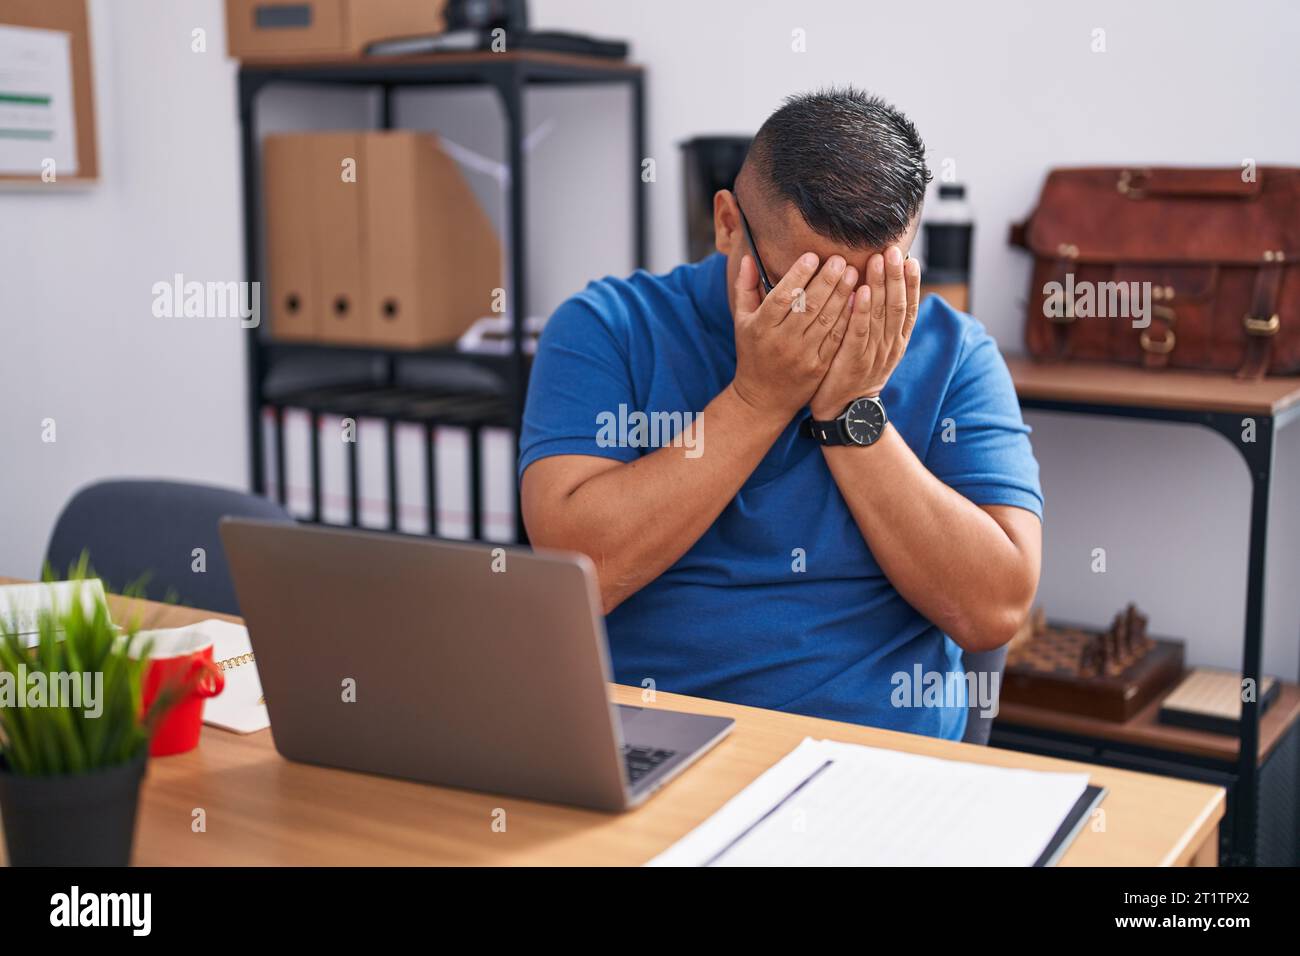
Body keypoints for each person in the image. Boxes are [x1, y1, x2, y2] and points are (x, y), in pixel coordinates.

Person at [518, 87, 1042, 740]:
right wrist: (756, 401)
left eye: (865, 290)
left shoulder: (956, 354)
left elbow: (996, 609)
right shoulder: (609, 328)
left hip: (881, 765)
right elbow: (579, 578)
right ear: (727, 224)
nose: (828, 321)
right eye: (801, 289)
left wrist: (853, 414)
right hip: (657, 745)